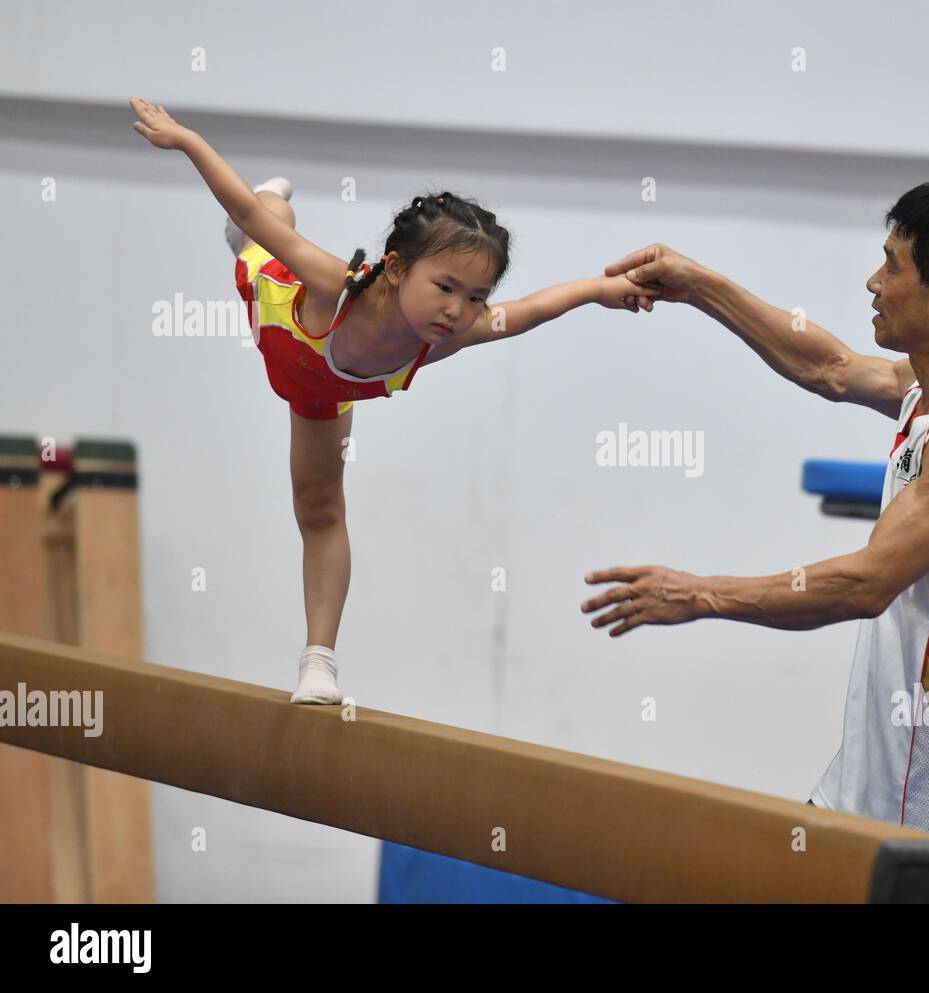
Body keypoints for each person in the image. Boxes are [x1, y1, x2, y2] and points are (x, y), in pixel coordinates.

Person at [582, 182, 929, 904]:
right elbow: (827, 366)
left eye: (892, 265)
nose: (873, 282)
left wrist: (696, 593)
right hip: (871, 787)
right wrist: (699, 284)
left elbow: (865, 584)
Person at [128, 97, 654, 705]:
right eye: (446, 287)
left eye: (476, 295)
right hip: (280, 311)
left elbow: (533, 308)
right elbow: (242, 202)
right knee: (264, 222)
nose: (458, 309)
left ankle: (317, 663)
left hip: (318, 394)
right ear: (397, 269)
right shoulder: (338, 285)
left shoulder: (449, 336)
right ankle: (265, 213)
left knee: (321, 510)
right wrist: (187, 139)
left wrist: (600, 290)